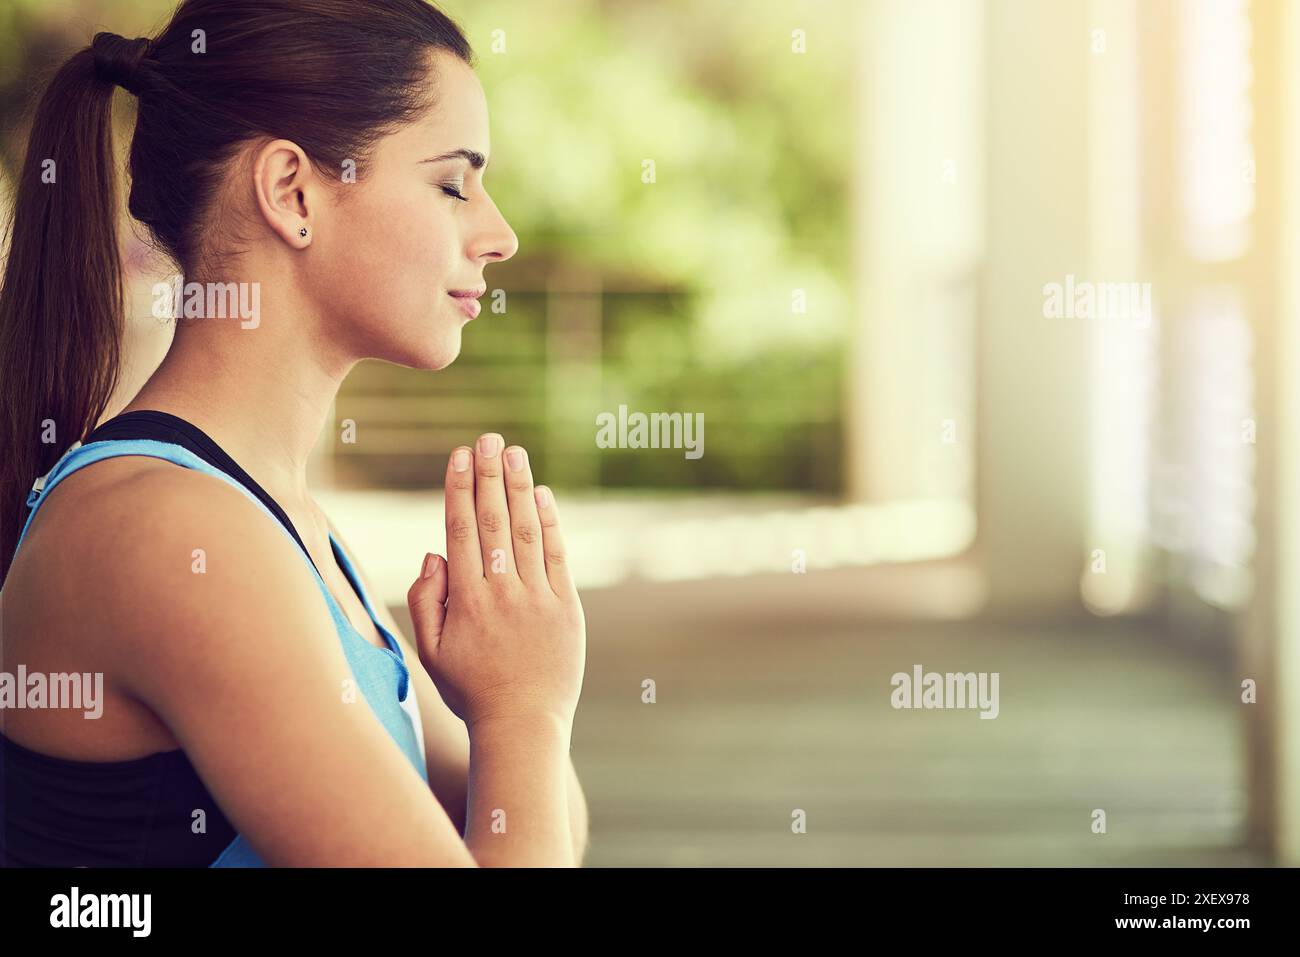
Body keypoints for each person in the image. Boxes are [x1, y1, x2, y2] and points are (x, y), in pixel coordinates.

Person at [0, 0, 587, 867]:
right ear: (292, 192)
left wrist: (516, 692)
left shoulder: (283, 521)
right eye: (453, 183)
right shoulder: (177, 536)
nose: (498, 236)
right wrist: (525, 710)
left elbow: (528, 814)